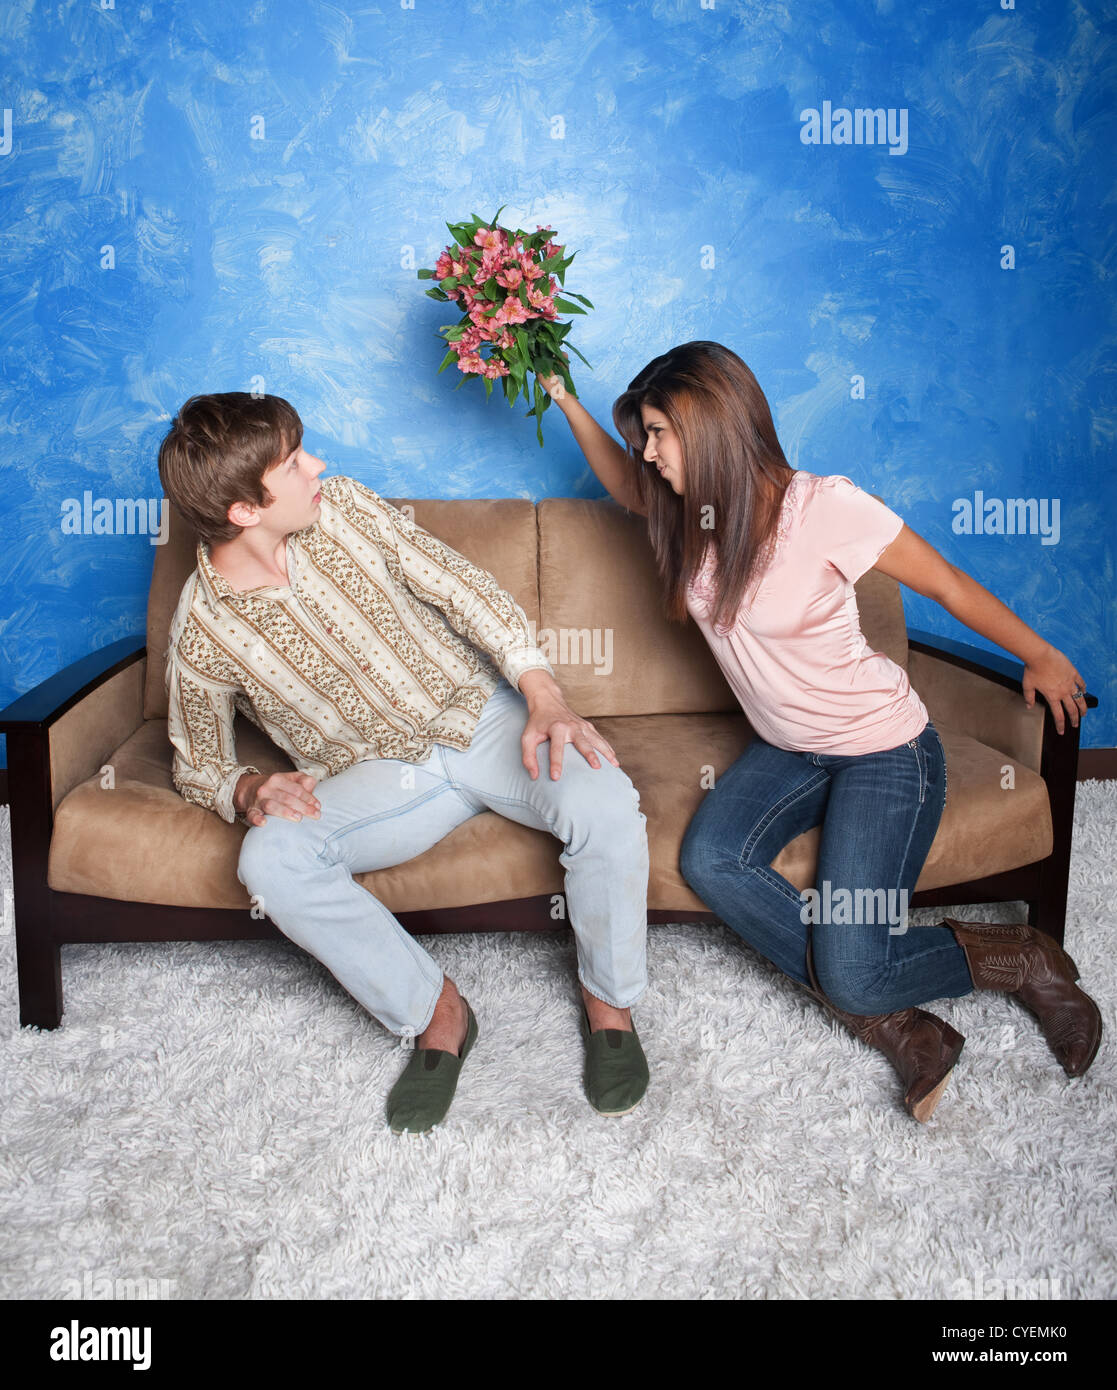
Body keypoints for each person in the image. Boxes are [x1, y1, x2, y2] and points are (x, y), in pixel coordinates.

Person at [540, 341, 1101, 1122]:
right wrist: (563, 396)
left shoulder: (823, 507)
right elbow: (620, 482)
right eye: (645, 436)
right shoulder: (688, 507)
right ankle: (896, 1021)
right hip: (788, 749)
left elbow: (944, 582)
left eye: (660, 432)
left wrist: (1039, 654)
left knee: (854, 970)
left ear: (710, 425)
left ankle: (1020, 958)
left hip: (884, 751)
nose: (648, 452)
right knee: (710, 858)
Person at [157, 391, 651, 1133]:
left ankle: (609, 1004)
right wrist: (251, 786)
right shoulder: (202, 627)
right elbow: (197, 761)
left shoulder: (348, 506)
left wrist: (543, 693)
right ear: (242, 511)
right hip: (374, 777)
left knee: (606, 803)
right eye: (294, 463)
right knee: (271, 862)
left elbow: (464, 589)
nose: (316, 465)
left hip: (484, 719)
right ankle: (436, 1011)